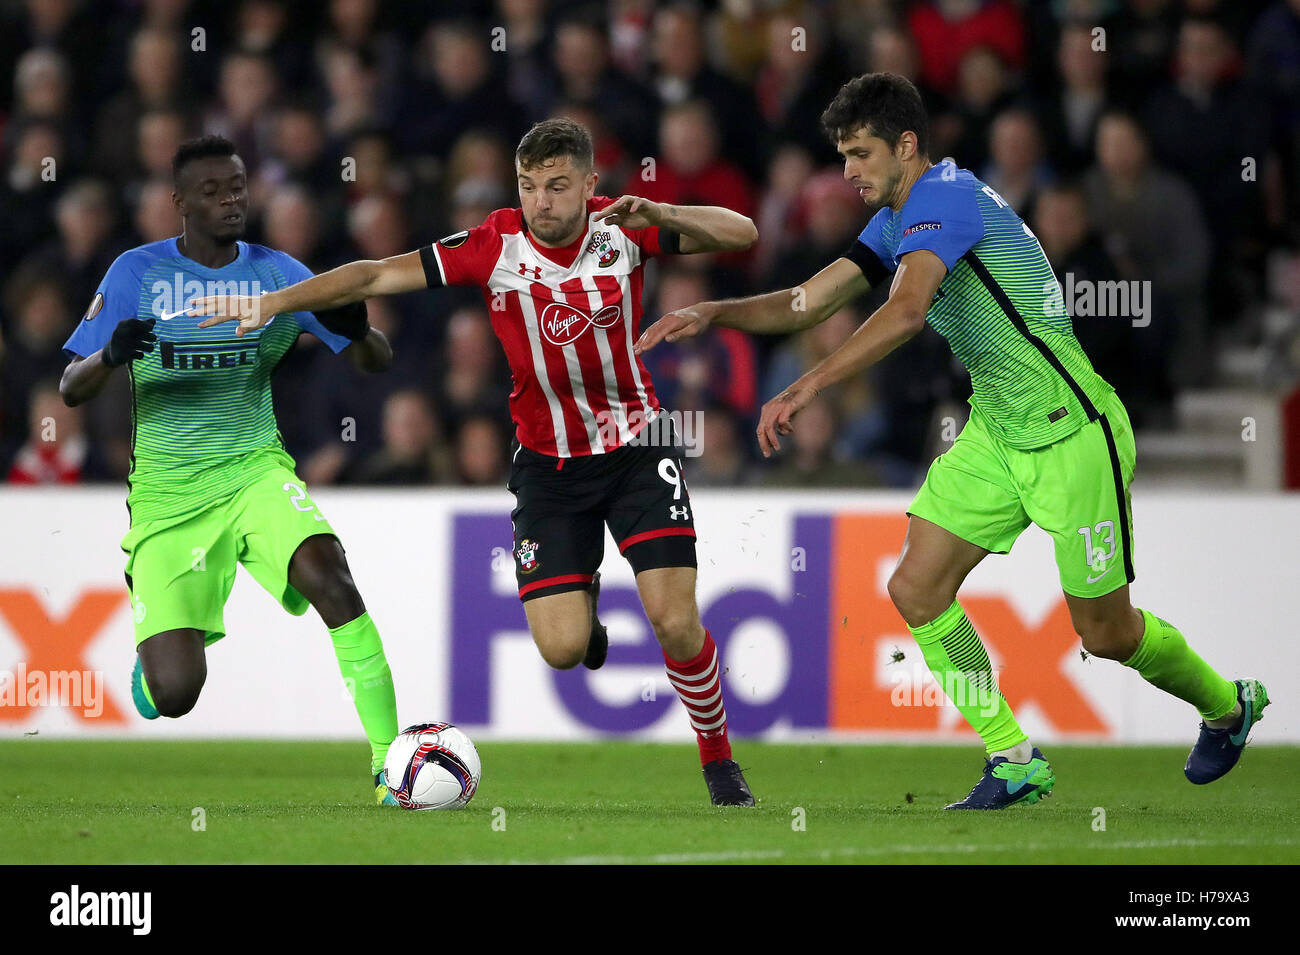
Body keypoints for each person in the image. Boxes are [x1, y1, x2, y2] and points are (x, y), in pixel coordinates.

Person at [638, 73, 1269, 809]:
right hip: (998, 430)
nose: (849, 172)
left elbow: (908, 311)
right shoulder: (897, 219)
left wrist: (808, 385)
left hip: (1070, 430)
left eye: (861, 154)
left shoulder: (945, 198)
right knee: (916, 586)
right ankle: (1013, 756)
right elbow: (809, 301)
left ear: (907, 145)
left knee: (1107, 633)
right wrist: (715, 311)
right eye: (843, 157)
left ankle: (1227, 704)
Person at [189, 119, 761, 807]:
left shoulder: (624, 229)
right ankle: (584, 604)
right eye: (528, 186)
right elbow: (375, 273)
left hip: (637, 448)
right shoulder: (494, 245)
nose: (541, 201)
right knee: (562, 648)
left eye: (557, 186)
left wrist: (664, 213)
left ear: (589, 184)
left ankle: (718, 761)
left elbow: (742, 234)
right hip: (548, 466)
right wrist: (273, 303)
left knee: (674, 621)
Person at [59, 135, 403, 806]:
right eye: (212, 191)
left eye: (238, 187)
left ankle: (389, 766)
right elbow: (71, 388)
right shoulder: (136, 273)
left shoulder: (279, 274)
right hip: (167, 494)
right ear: (180, 202)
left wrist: (360, 330)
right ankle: (154, 659)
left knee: (331, 577)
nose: (230, 200)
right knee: (176, 693)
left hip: (254, 470)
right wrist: (110, 356)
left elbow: (376, 361)